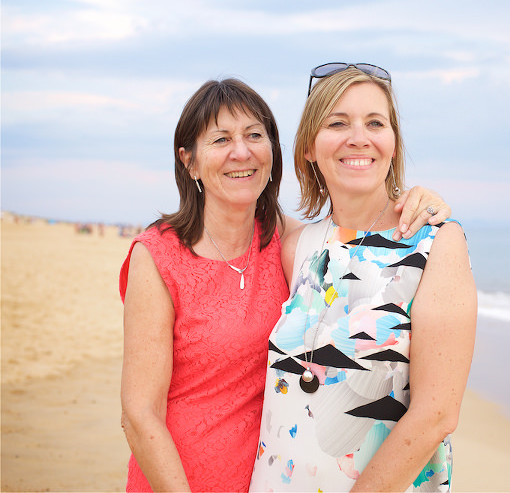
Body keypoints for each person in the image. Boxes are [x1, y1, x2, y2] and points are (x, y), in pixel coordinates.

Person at [119, 78, 451, 492]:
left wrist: (421, 199)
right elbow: (139, 414)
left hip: (273, 478)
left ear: (273, 152)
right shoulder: (158, 255)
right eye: (221, 139)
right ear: (189, 162)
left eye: (254, 135)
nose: (241, 152)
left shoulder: (292, 245)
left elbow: (361, 241)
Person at [249, 64, 477, 492]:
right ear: (309, 147)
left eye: (375, 123)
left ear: (393, 144)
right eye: (338, 123)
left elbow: (437, 414)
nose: (359, 137)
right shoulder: (298, 247)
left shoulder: (435, 244)